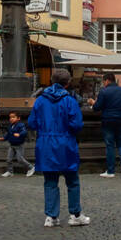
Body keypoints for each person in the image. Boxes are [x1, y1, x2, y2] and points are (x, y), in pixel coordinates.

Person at [28, 68, 89, 227]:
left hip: (46, 144)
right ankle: (75, 214)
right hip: (66, 143)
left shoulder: (41, 100)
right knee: (72, 180)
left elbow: (32, 123)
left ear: (52, 81)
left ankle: (51, 216)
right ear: (67, 83)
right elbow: (76, 125)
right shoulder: (70, 101)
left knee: (50, 181)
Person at [92, 71, 121, 179]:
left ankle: (110, 171)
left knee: (110, 145)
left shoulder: (104, 92)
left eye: (103, 81)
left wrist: (93, 103)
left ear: (107, 80)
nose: (103, 84)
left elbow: (97, 107)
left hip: (108, 121)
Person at [2, 112, 34, 177]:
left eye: (13, 117)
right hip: (12, 144)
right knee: (9, 159)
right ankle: (10, 171)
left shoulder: (20, 125)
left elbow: (24, 131)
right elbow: (8, 134)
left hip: (19, 145)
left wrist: (19, 134)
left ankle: (31, 167)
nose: (11, 119)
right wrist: (3, 138)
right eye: (10, 117)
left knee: (20, 159)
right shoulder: (10, 126)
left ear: (18, 118)